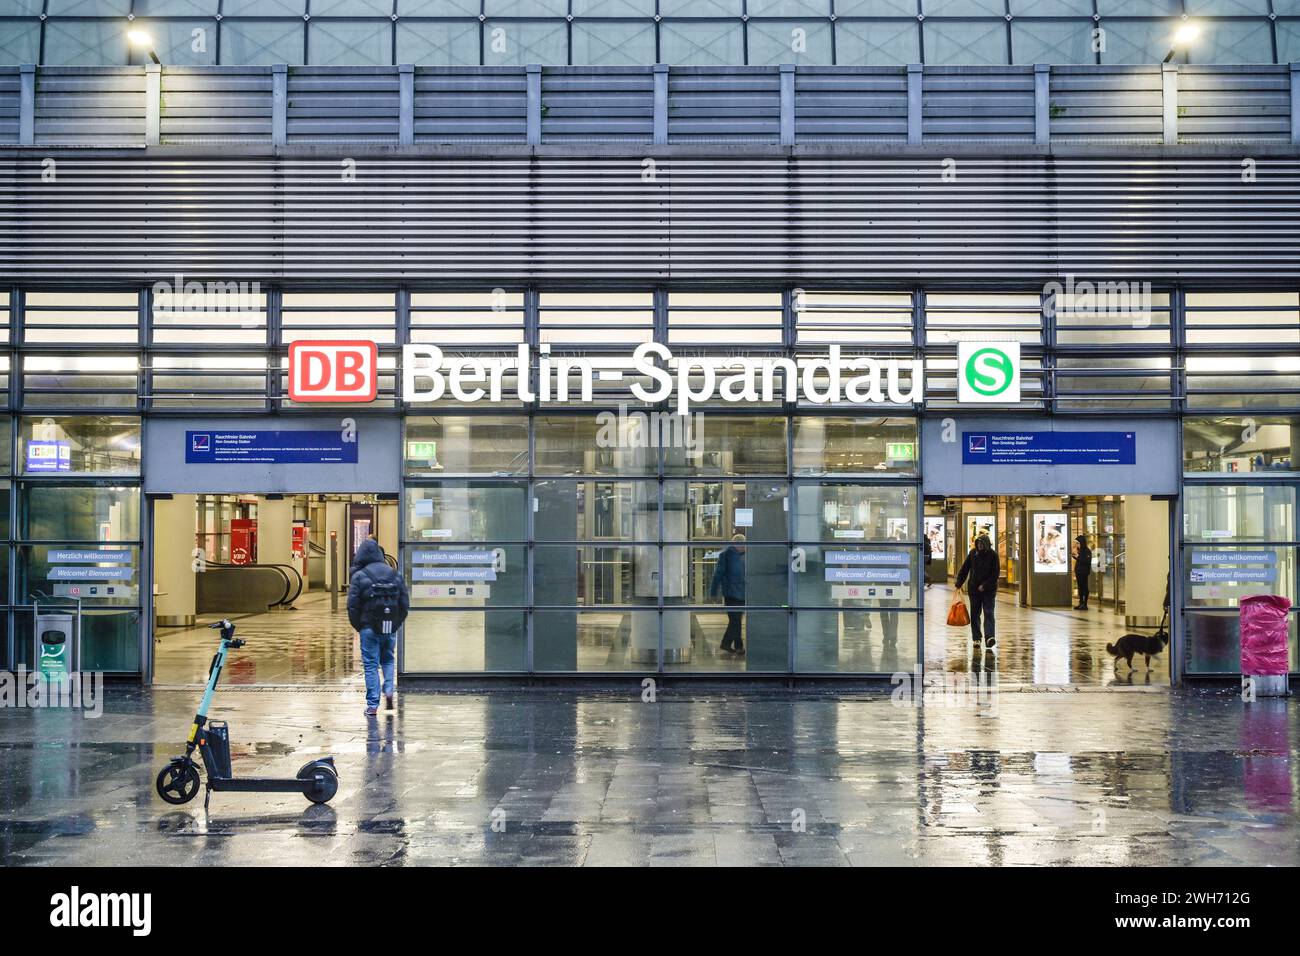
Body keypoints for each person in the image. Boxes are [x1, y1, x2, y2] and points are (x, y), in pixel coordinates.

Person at [347, 536, 409, 716]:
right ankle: (389, 689)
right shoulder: (394, 573)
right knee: (388, 659)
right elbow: (404, 603)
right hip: (389, 627)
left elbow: (352, 606)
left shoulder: (359, 576)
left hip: (369, 628)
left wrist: (360, 626)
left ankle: (373, 705)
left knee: (371, 665)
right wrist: (395, 624)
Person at [954, 533, 999, 651]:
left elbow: (995, 574)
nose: (980, 546)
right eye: (978, 544)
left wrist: (985, 585)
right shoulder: (973, 554)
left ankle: (989, 637)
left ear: (987, 544)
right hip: (974, 590)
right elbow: (965, 569)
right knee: (975, 614)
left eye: (982, 544)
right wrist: (959, 583)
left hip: (989, 591)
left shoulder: (993, 556)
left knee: (989, 612)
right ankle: (976, 638)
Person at [709, 533, 746, 654]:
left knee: (736, 620)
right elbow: (718, 574)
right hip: (731, 593)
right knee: (735, 620)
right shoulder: (725, 556)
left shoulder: (744, 556)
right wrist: (713, 591)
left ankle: (730, 644)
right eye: (744, 545)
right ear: (737, 545)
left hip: (742, 593)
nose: (745, 547)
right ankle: (736, 646)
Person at [1073, 533, 1093, 610]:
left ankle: (1085, 604)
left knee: (1084, 587)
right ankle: (1081, 603)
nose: (1077, 545)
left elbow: (1087, 561)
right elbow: (1080, 560)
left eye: (1078, 543)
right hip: (1078, 571)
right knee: (1080, 587)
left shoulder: (1087, 551)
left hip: (1083, 572)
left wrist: (1078, 557)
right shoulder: (1080, 551)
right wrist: (1075, 557)